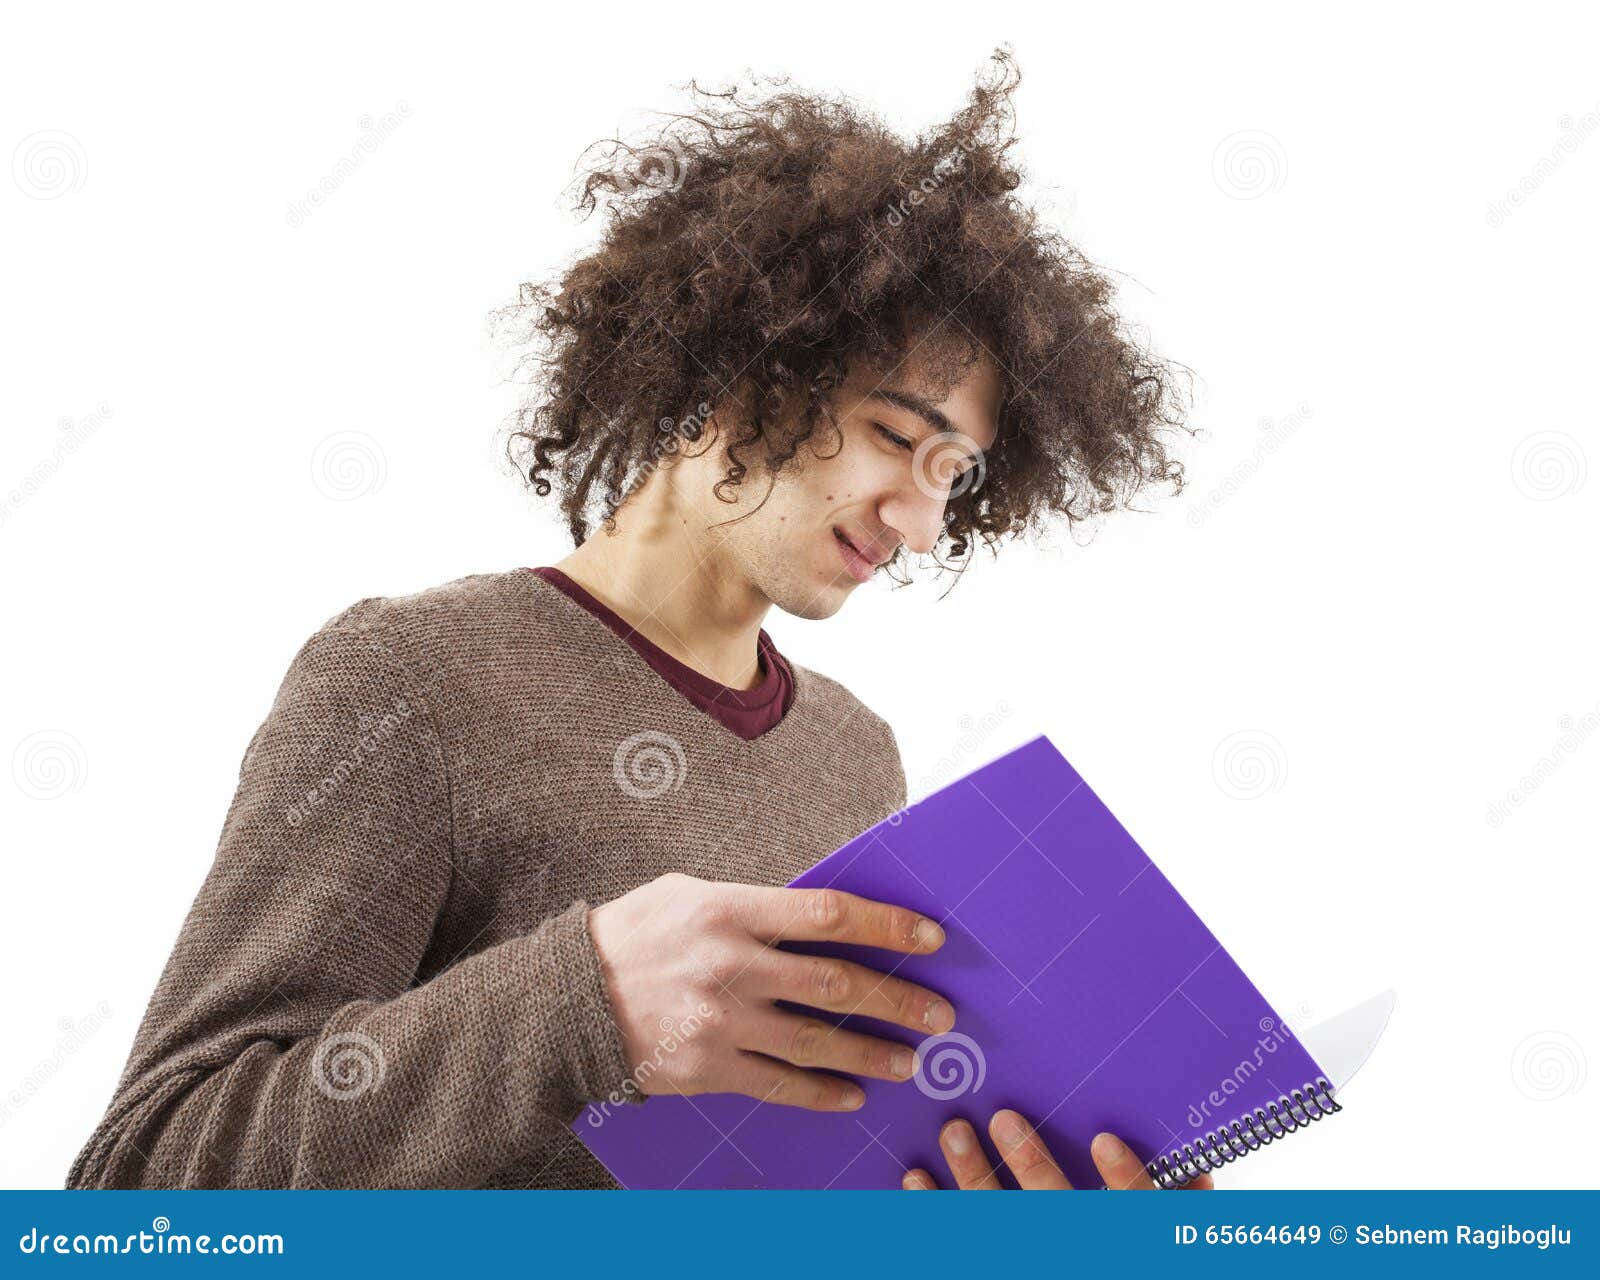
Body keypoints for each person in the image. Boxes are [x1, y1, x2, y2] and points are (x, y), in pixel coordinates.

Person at [68, 51, 1194, 1191]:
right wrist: (584, 1001)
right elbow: (145, 1180)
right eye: (896, 439)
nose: (915, 520)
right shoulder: (413, 678)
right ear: (742, 369)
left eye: (953, 475)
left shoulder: (855, 752)